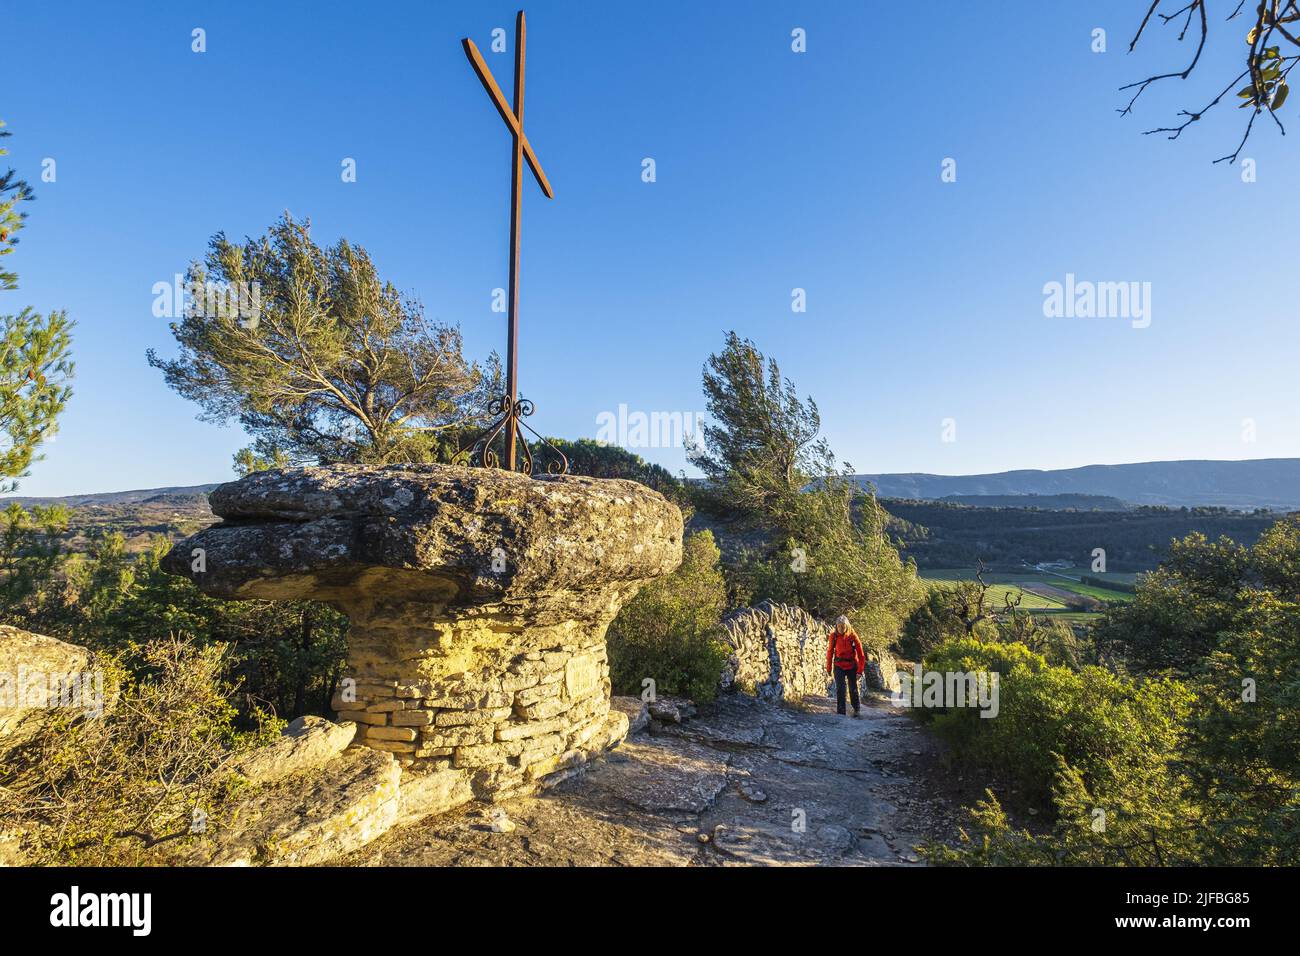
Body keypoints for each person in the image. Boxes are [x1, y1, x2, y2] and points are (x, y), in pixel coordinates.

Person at [826, 614, 866, 717]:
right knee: (840, 688)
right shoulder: (833, 636)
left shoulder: (853, 636)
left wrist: (859, 671)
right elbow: (830, 652)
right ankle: (841, 713)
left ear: (847, 626)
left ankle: (856, 709)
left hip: (852, 665)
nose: (841, 628)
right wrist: (829, 668)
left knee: (853, 688)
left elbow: (861, 655)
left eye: (843, 626)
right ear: (836, 626)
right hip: (839, 664)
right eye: (839, 626)